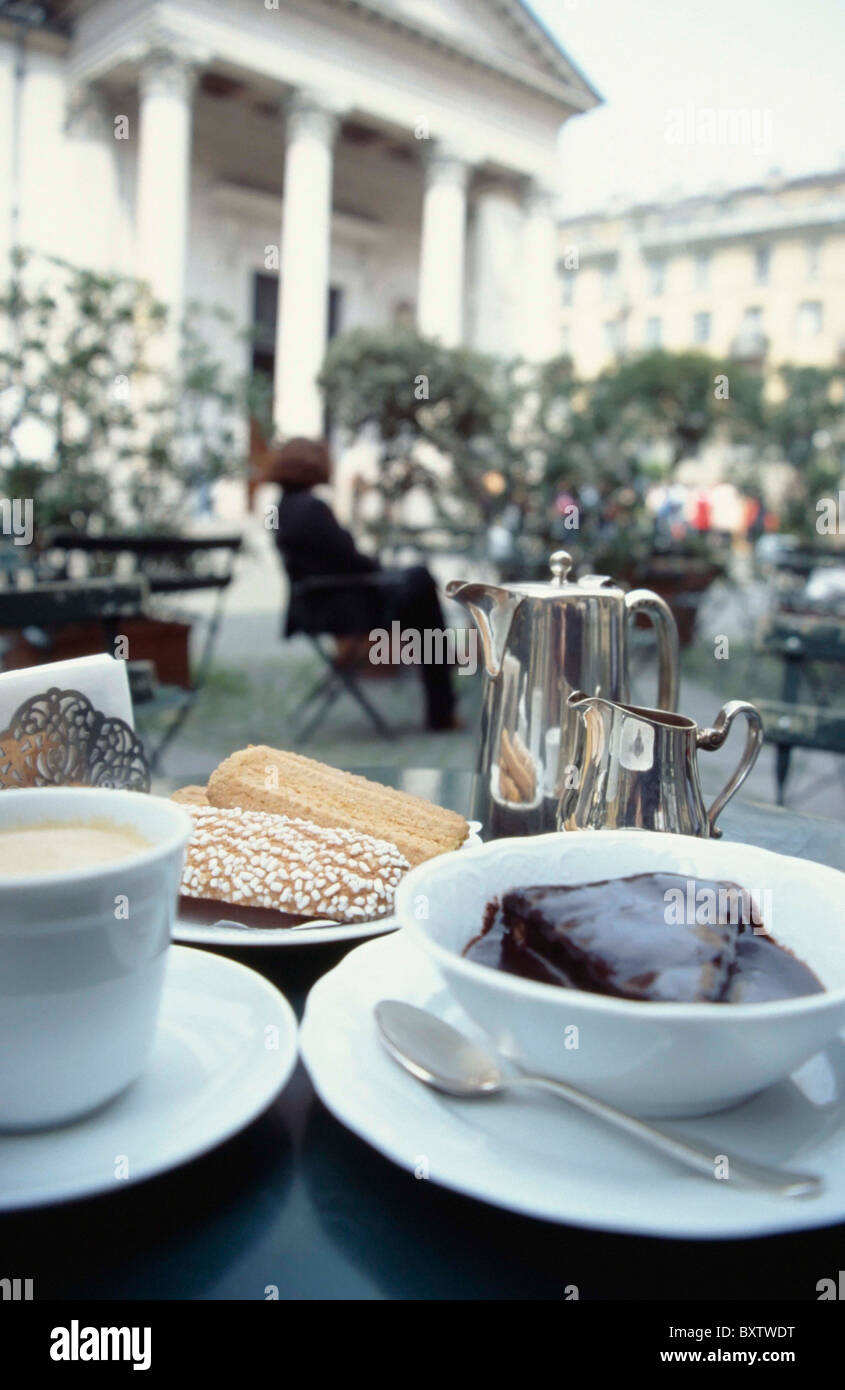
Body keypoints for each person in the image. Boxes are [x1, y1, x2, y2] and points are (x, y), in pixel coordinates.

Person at [267, 436, 458, 732]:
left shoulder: (282, 509)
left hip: (317, 604)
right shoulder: (312, 509)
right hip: (341, 606)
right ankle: (442, 705)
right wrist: (383, 572)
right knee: (421, 586)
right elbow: (351, 560)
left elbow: (338, 560)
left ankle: (443, 681)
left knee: (419, 591)